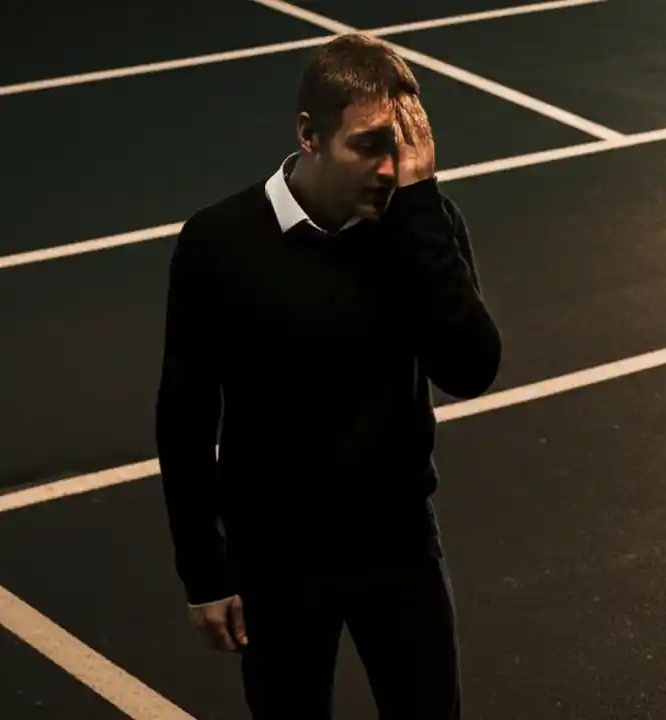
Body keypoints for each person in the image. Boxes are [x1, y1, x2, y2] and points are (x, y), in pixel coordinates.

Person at [153, 32, 501, 719]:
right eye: (370, 144)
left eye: (402, 147)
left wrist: (424, 208)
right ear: (310, 135)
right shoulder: (219, 244)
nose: (388, 169)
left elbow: (470, 368)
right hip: (276, 556)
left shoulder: (420, 226)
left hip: (399, 543)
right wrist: (204, 572)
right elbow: (185, 416)